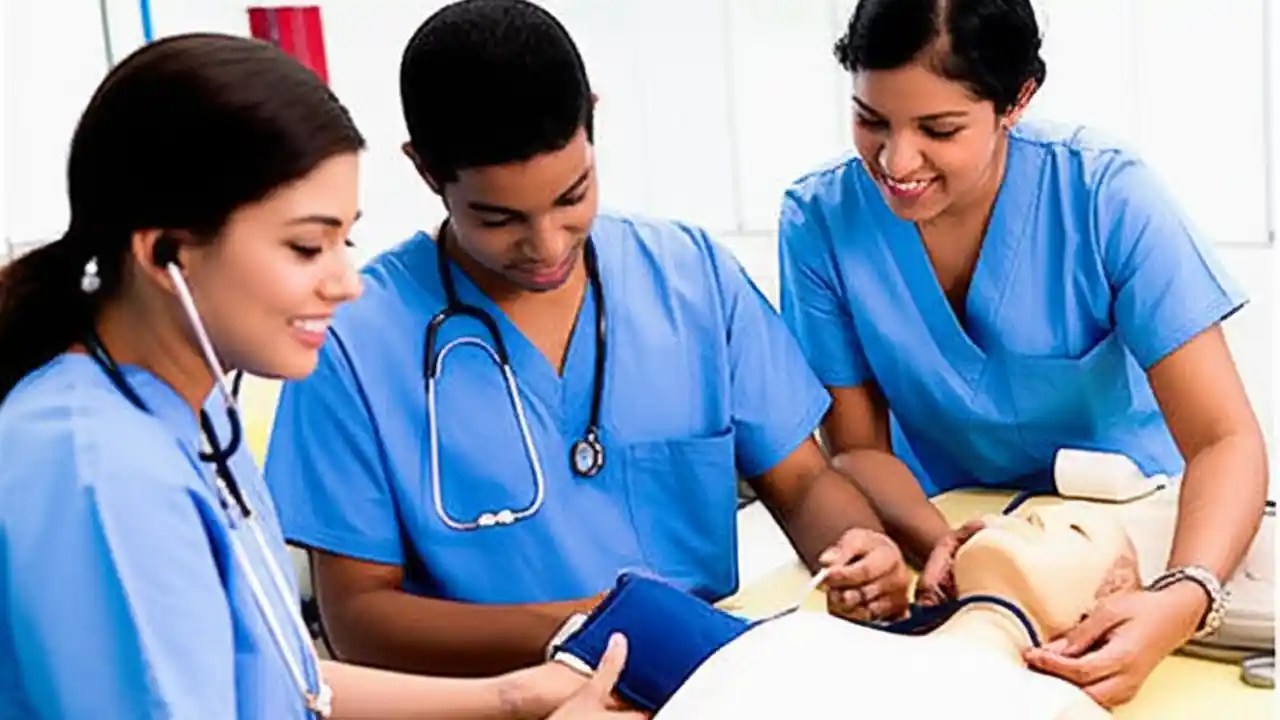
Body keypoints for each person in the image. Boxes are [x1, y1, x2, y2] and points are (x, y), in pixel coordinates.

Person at [0, 33, 638, 719]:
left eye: (346, 241)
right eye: (307, 246)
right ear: (166, 253)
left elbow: (293, 682)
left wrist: (513, 700)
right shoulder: (99, 475)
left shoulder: (195, 414)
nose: (345, 284)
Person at [262, 0, 906, 679]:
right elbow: (359, 619)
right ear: (426, 171)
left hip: (706, 687)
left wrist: (860, 549)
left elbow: (802, 483)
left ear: (592, 120)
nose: (546, 246)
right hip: (503, 699)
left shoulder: (690, 278)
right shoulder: (355, 343)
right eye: (499, 218)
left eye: (573, 196)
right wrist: (603, 625)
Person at [775, 0, 1269, 706]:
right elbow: (855, 451)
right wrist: (937, 543)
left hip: (1125, 530)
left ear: (1017, 101)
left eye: (938, 129)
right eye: (871, 120)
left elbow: (1225, 440)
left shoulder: (1104, 194)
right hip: (940, 530)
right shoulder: (820, 221)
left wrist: (1186, 592)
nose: (896, 161)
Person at [546, 502, 1142, 719]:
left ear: (1101, 612)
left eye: (1076, 529)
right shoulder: (785, 638)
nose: (1026, 519)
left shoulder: (1048, 706)